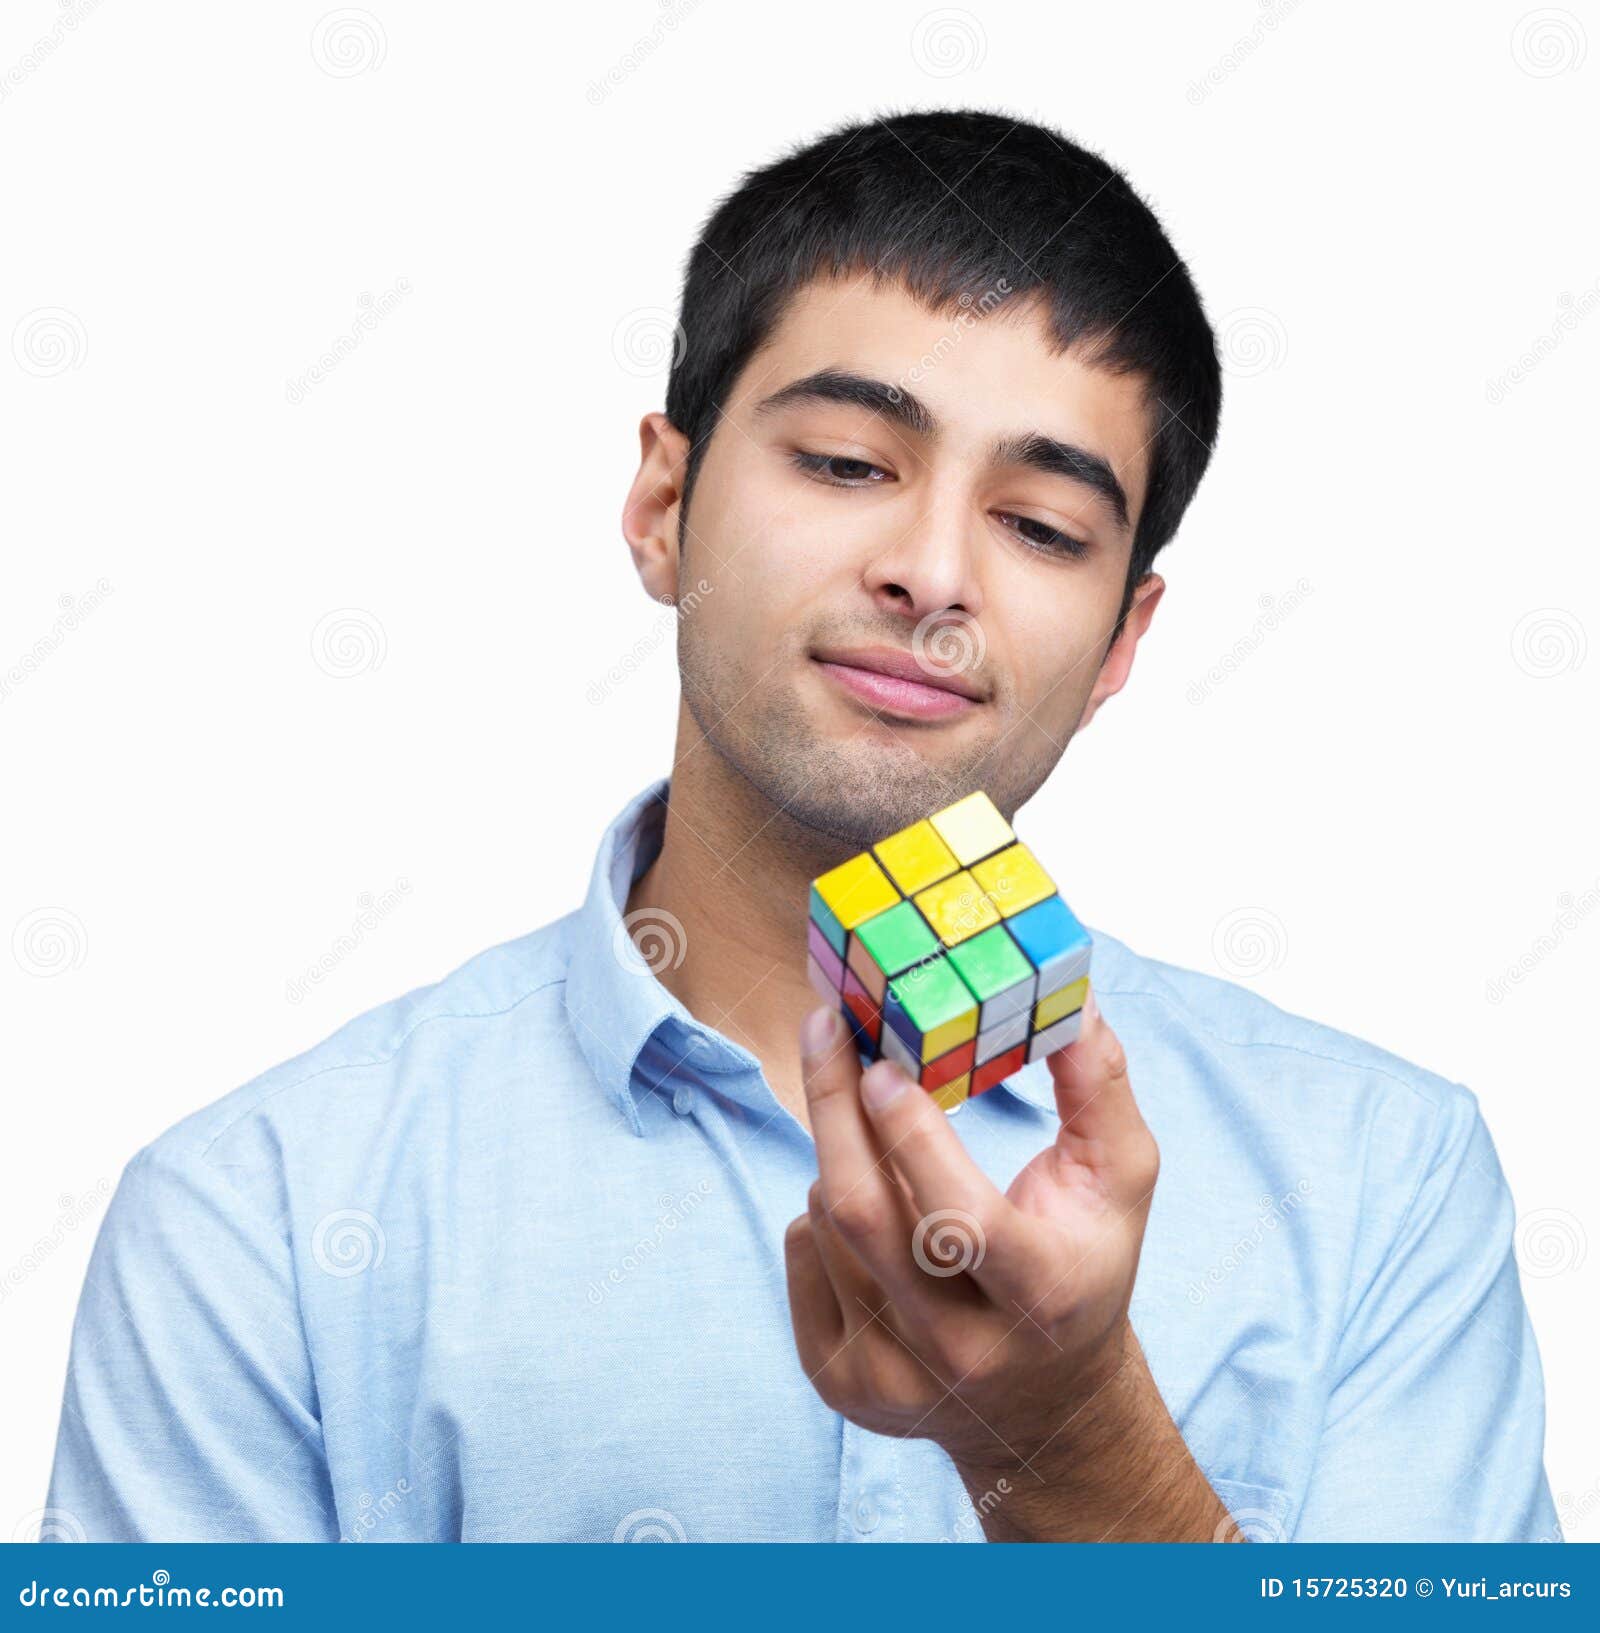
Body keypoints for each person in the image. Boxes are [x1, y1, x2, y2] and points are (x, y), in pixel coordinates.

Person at [45, 109, 1558, 1543]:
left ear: (1120, 645)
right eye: (844, 463)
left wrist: (1081, 1442)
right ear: (662, 505)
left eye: (1040, 525)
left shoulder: (1383, 1181)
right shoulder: (257, 1215)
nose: (930, 570)